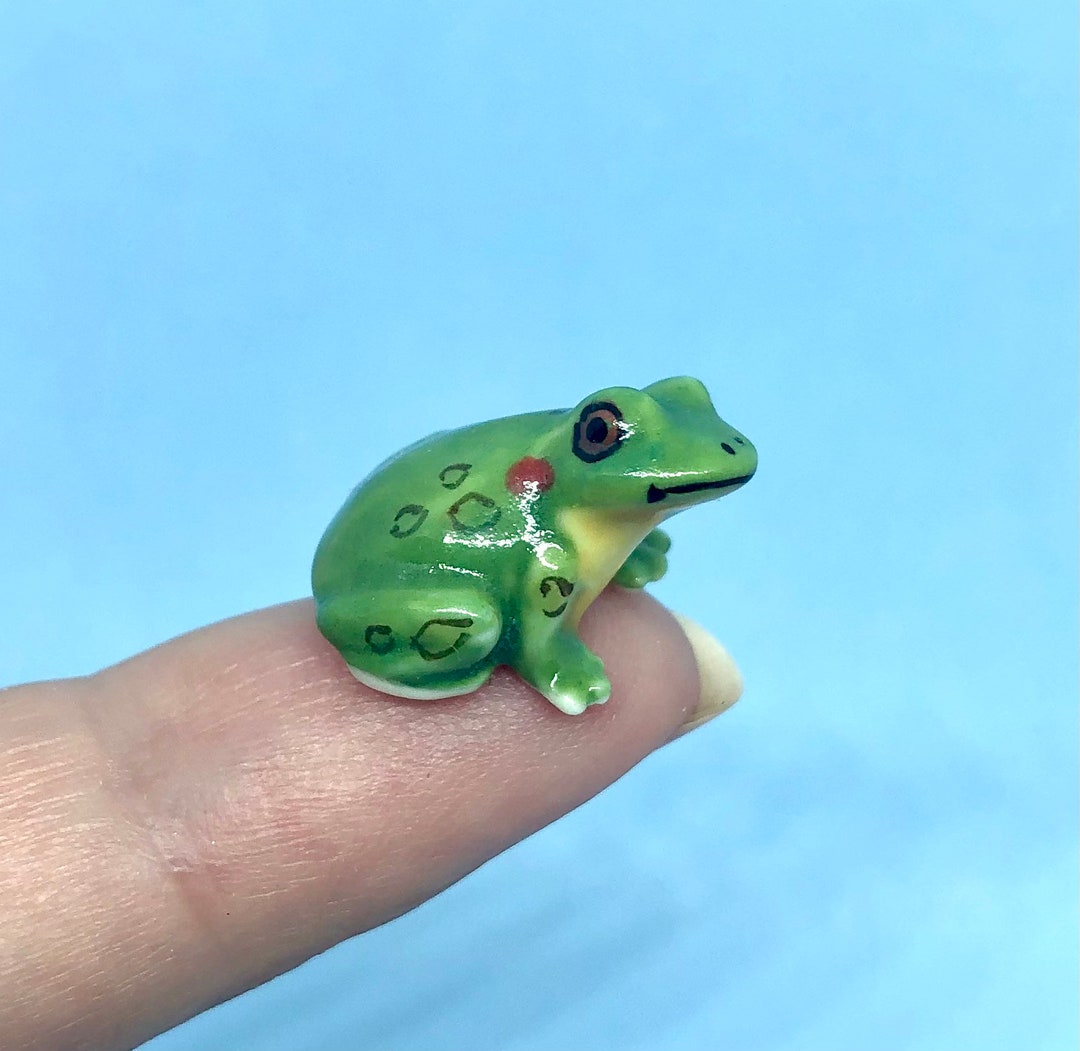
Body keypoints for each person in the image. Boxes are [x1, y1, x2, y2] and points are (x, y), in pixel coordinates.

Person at [0, 588, 741, 1050]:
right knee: (483, 621)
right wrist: (554, 657)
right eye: (606, 433)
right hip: (402, 592)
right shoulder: (553, 538)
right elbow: (542, 595)